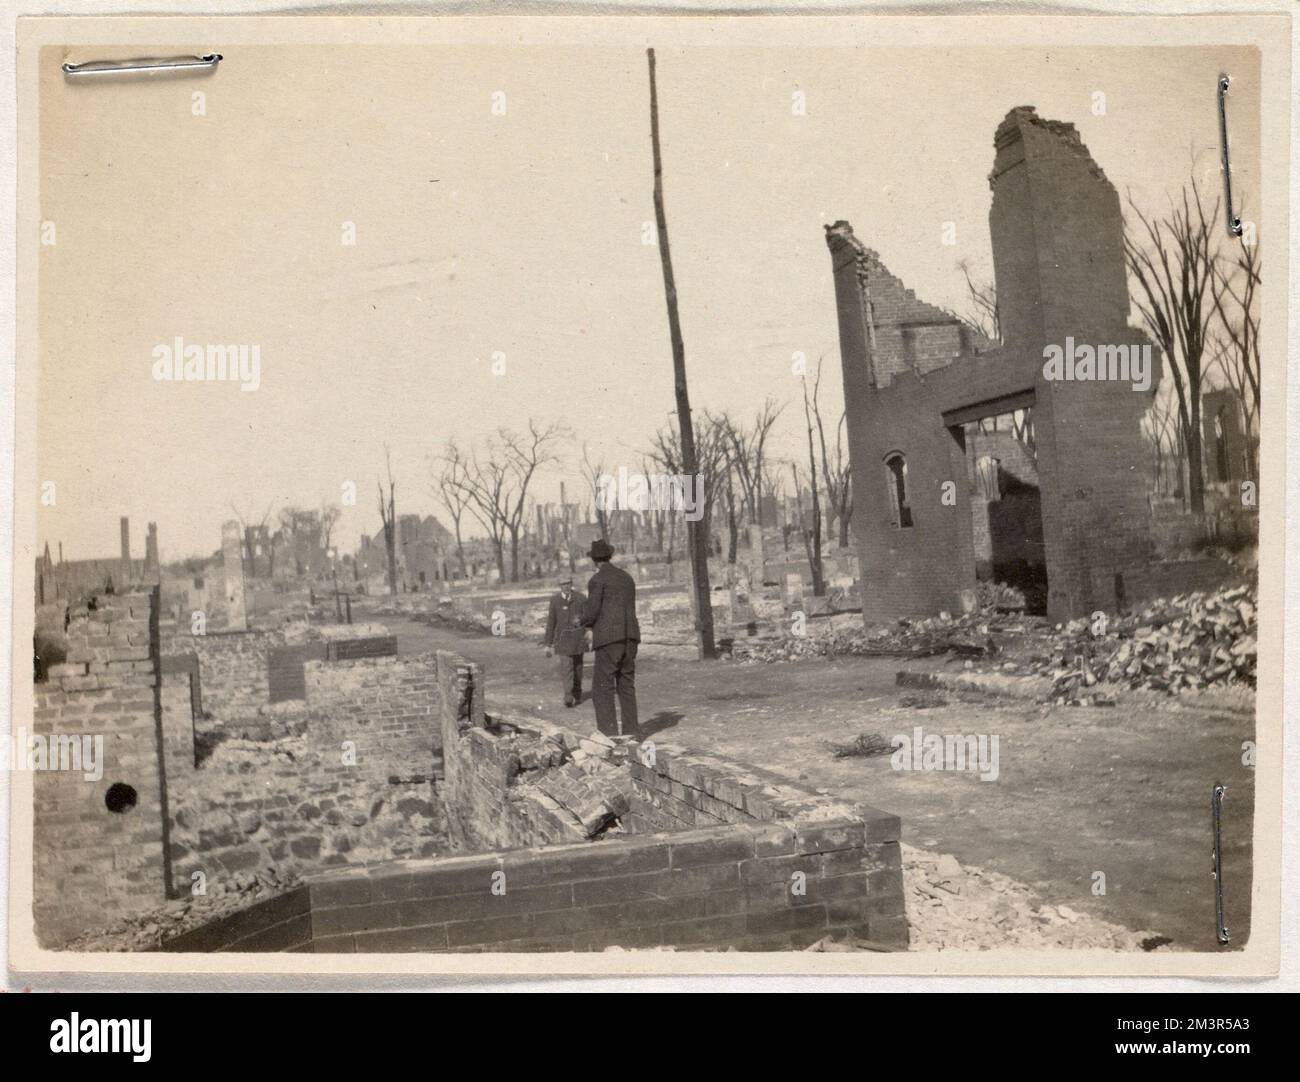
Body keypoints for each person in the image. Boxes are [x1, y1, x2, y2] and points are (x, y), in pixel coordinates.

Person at [579, 539, 640, 738]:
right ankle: (632, 734)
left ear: (594, 560)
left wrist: (581, 619)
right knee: (626, 685)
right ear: (610, 556)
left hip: (608, 640)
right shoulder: (626, 578)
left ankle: (609, 735)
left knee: (602, 688)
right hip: (630, 637)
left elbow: (592, 612)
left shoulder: (597, 580)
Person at [543, 575, 587, 708]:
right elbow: (551, 622)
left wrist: (581, 620)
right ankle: (568, 696)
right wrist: (548, 644)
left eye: (568, 583)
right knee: (566, 668)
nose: (566, 586)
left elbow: (588, 617)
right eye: (563, 584)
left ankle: (577, 694)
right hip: (562, 641)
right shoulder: (555, 600)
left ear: (571, 584)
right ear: (560, 586)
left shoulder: (581, 598)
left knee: (578, 668)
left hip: (578, 639)